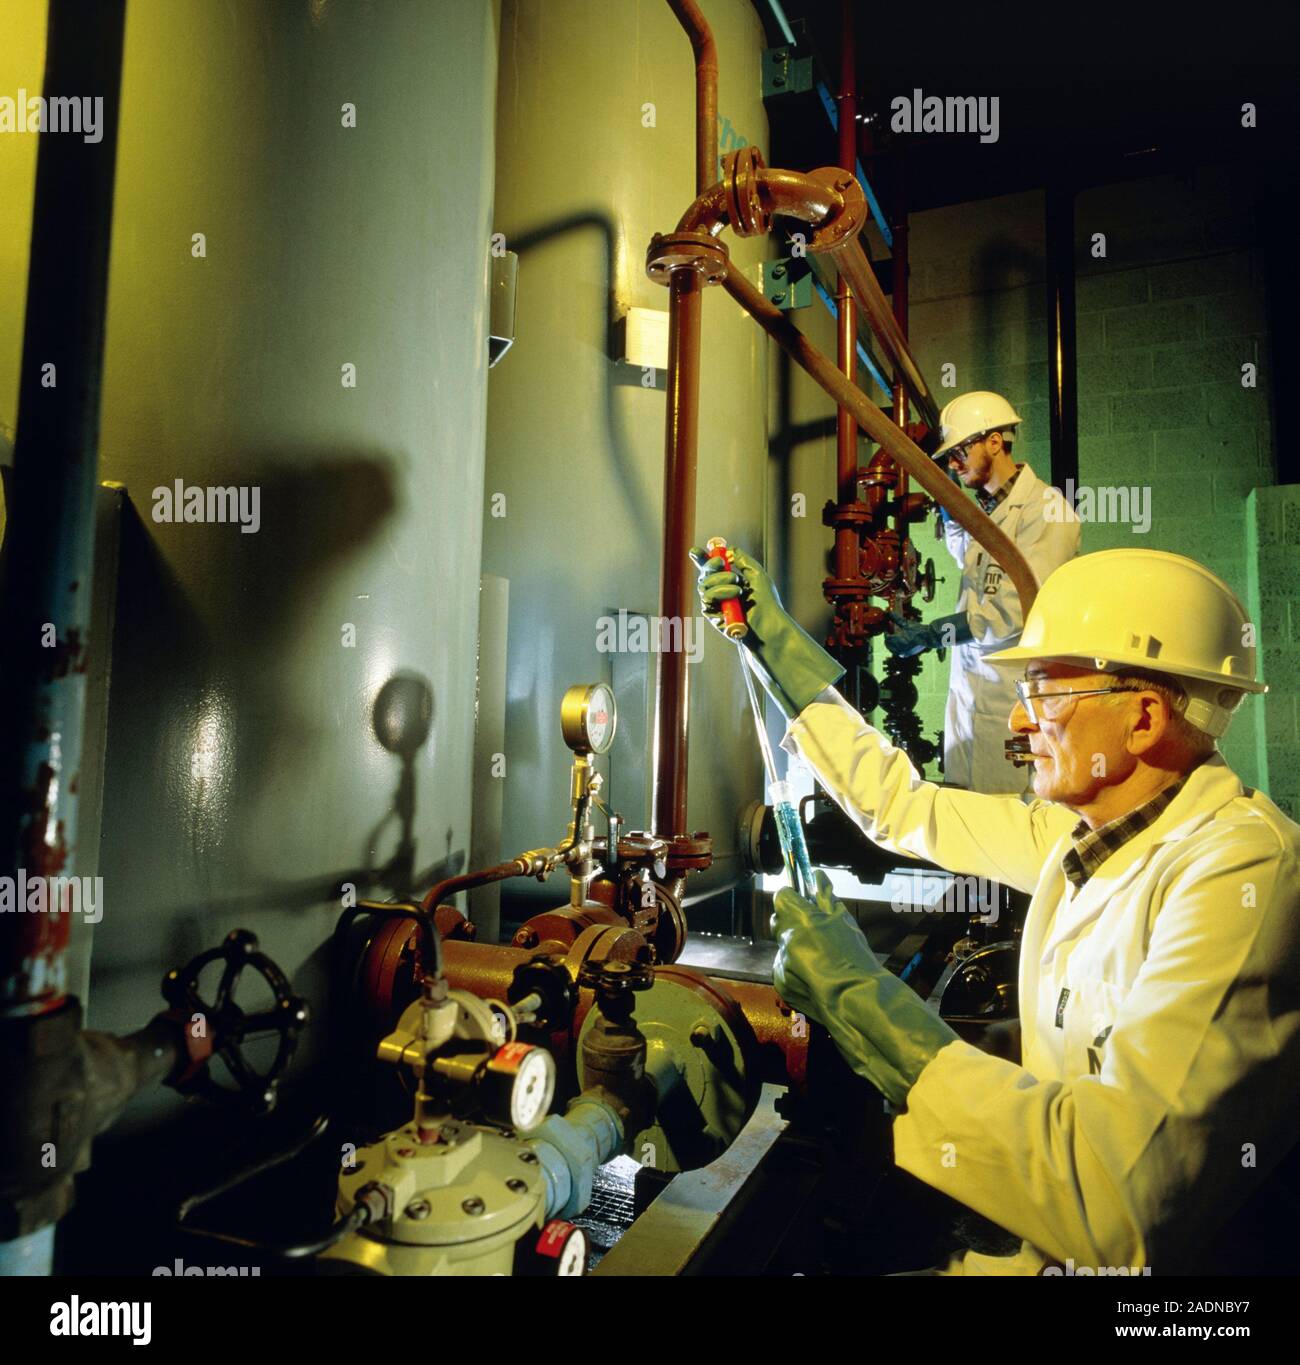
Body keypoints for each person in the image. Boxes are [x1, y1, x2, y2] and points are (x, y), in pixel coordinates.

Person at [692, 541, 1299, 1274]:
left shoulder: (1248, 875)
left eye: (1043, 691)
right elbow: (900, 806)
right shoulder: (1086, 835)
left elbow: (1118, 1193)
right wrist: (777, 649)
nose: (1016, 721)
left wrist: (864, 1001)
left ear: (1141, 720)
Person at [886, 391, 1079, 793]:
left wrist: (933, 634)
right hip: (971, 693)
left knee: (1008, 818)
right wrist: (953, 517)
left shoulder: (1047, 509)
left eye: (960, 451)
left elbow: (1016, 609)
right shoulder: (990, 510)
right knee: (968, 815)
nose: (954, 464)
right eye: (950, 456)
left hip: (1006, 695)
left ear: (995, 441)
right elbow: (978, 572)